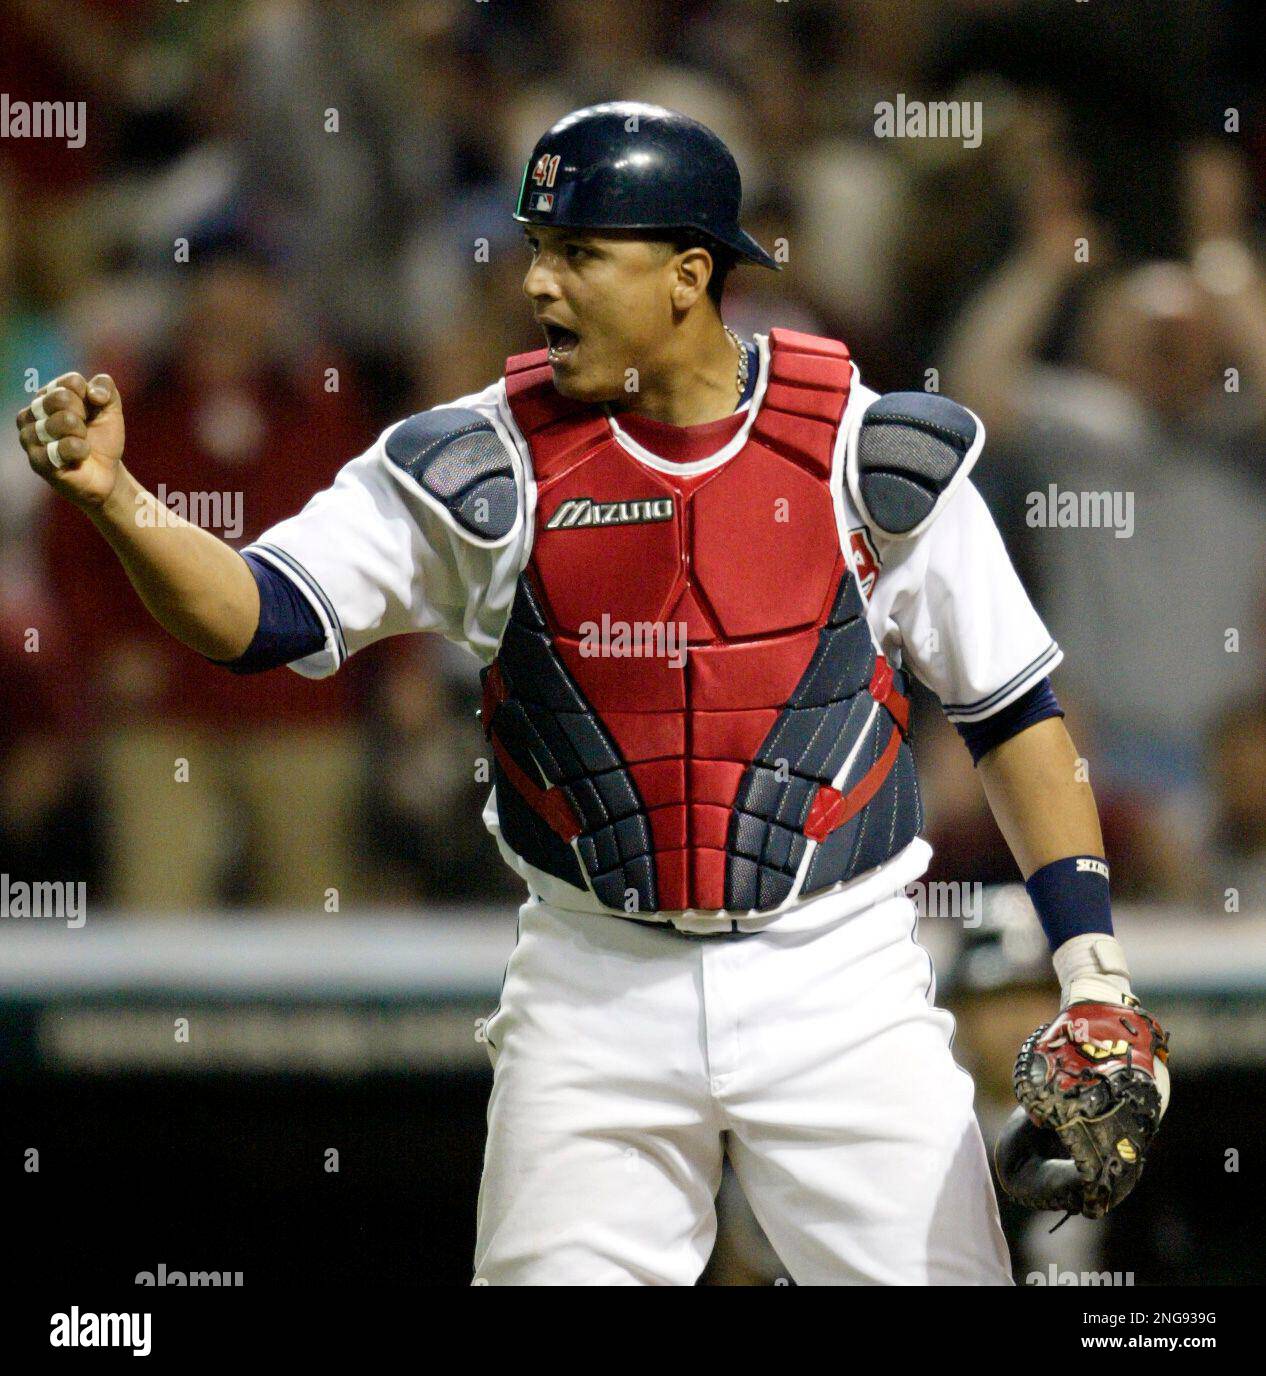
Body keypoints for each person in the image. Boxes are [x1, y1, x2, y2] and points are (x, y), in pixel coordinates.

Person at [16, 101, 1169, 1286]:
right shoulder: (481, 459)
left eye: (579, 254)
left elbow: (1014, 711)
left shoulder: (867, 454)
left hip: (839, 975)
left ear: (686, 273)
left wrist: (1093, 971)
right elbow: (257, 617)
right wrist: (116, 498)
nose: (542, 287)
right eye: (536, 250)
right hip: (591, 983)